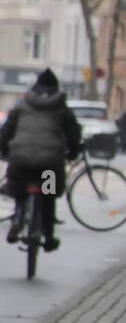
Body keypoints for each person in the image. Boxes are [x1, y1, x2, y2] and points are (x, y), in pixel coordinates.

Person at [0, 68, 83, 251]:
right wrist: (73, 153)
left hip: (20, 161)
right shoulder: (62, 109)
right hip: (50, 164)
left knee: (20, 190)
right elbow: (73, 134)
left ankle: (17, 219)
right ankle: (49, 237)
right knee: (48, 195)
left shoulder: (21, 106)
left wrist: (5, 151)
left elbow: (6, 131)